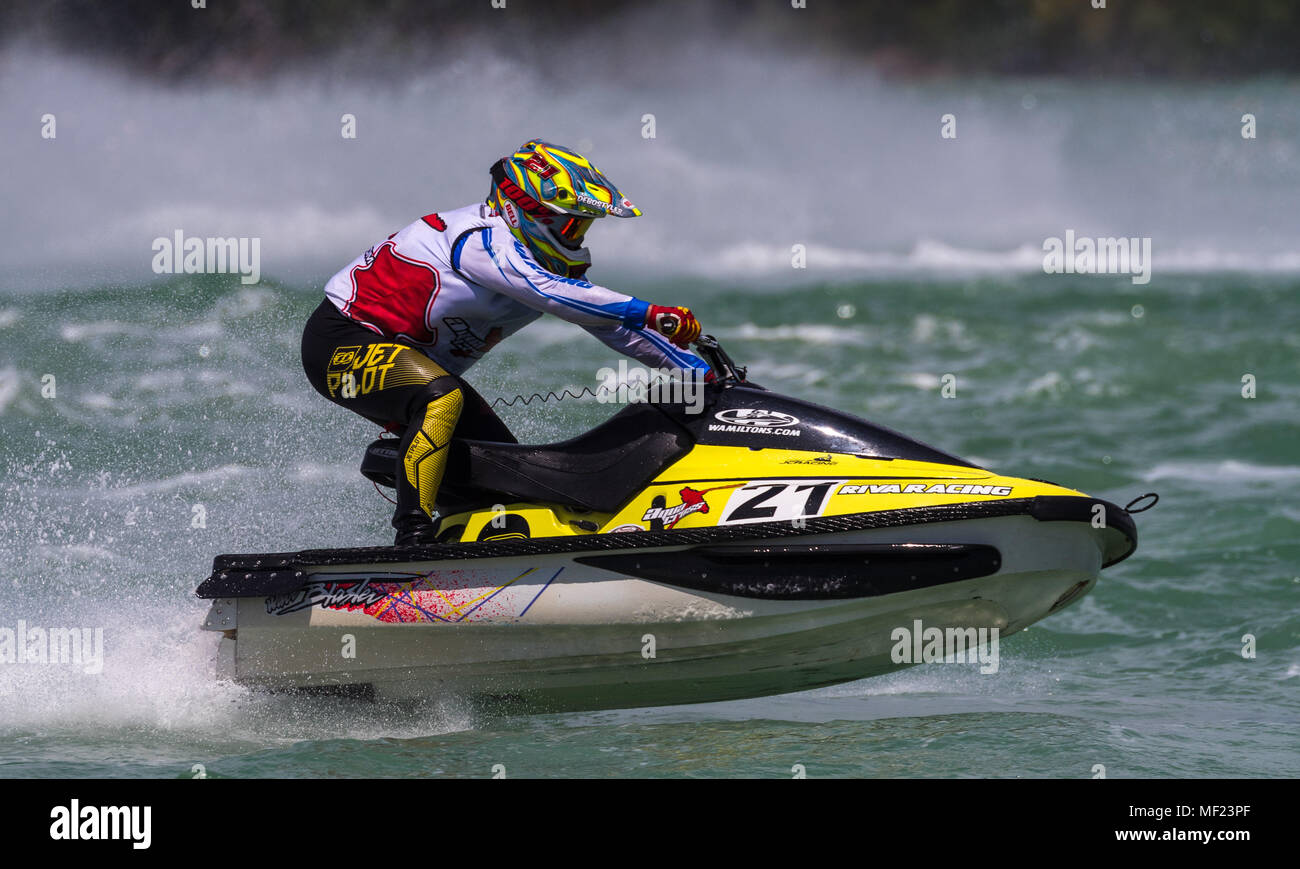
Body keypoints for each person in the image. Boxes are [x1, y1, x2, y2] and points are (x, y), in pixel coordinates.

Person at [301, 139, 708, 545]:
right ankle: (412, 536)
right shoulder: (478, 239)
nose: (578, 236)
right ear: (521, 208)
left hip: (413, 366)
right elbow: (547, 291)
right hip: (340, 345)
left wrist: (699, 374)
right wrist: (648, 310)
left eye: (584, 226)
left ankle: (476, 552)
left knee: (507, 474)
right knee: (441, 398)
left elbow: (610, 325)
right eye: (571, 224)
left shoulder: (536, 261)